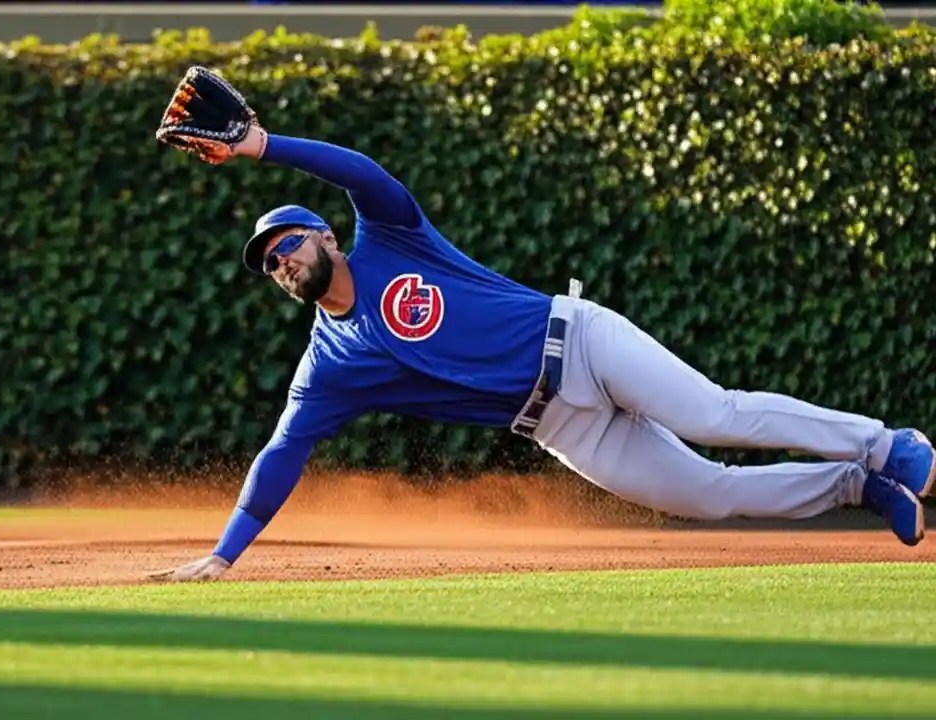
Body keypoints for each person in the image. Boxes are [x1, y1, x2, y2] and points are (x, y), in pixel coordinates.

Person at [148, 121, 933, 581]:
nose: (279, 263)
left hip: (580, 340)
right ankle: (851, 490)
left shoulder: (389, 235)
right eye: (269, 265)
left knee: (713, 412)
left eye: (283, 245)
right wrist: (222, 557)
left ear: (319, 234)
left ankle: (885, 445)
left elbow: (361, 172)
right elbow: (283, 451)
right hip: (558, 427)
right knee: (706, 495)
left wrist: (261, 146)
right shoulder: (330, 363)